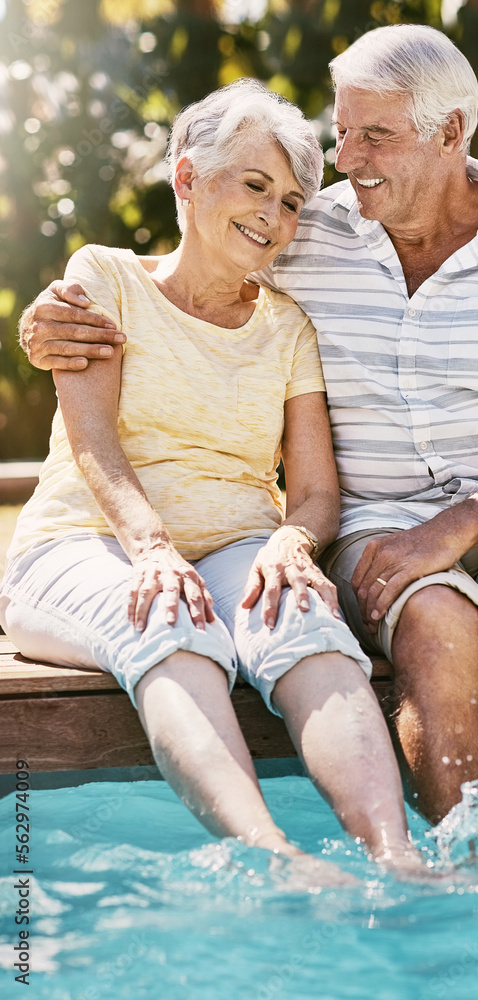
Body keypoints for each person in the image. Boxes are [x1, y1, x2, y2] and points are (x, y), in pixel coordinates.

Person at [20, 25, 478, 830]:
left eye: (373, 135)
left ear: (451, 131)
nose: (345, 159)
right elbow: (194, 261)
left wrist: (453, 528)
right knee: (434, 627)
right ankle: (477, 867)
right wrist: (53, 322)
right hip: (382, 522)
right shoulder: (308, 228)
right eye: (343, 130)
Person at [3, 79, 422, 874]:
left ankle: (395, 855)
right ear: (188, 180)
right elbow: (93, 444)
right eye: (256, 186)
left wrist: (294, 542)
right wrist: (154, 547)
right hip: (85, 543)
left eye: (294, 202)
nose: (275, 215)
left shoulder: (287, 325)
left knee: (305, 619)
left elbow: (315, 492)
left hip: (235, 544)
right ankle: (274, 858)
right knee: (169, 619)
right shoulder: (106, 278)